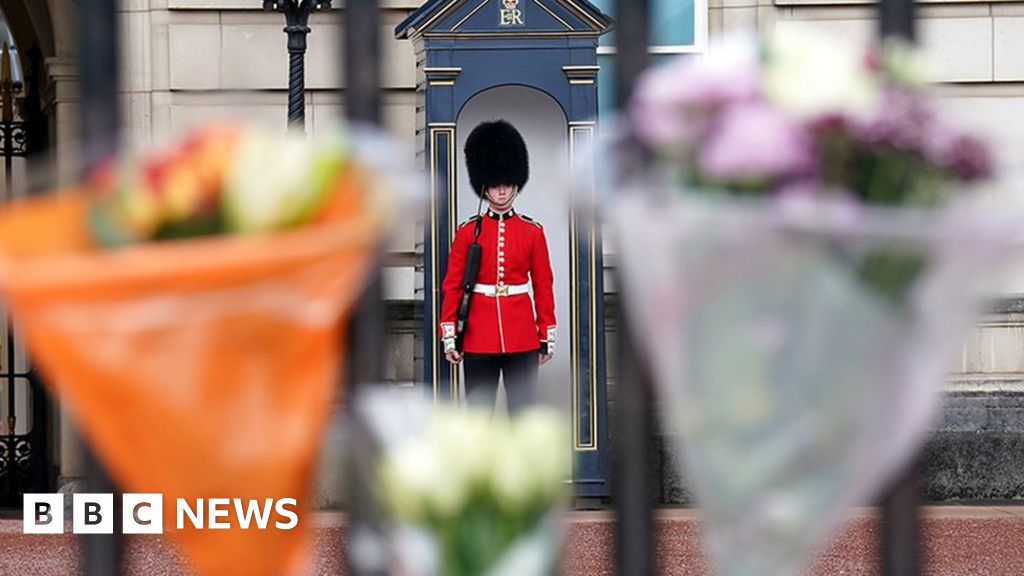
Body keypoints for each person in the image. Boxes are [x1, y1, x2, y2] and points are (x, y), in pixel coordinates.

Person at [439, 120, 556, 413]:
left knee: (523, 413)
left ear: (515, 184)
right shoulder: (468, 232)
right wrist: (450, 334)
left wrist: (545, 334)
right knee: (479, 416)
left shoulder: (533, 232)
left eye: (506, 184)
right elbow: (452, 284)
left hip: (522, 335)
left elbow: (543, 285)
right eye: (495, 185)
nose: (501, 192)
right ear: (485, 187)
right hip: (479, 334)